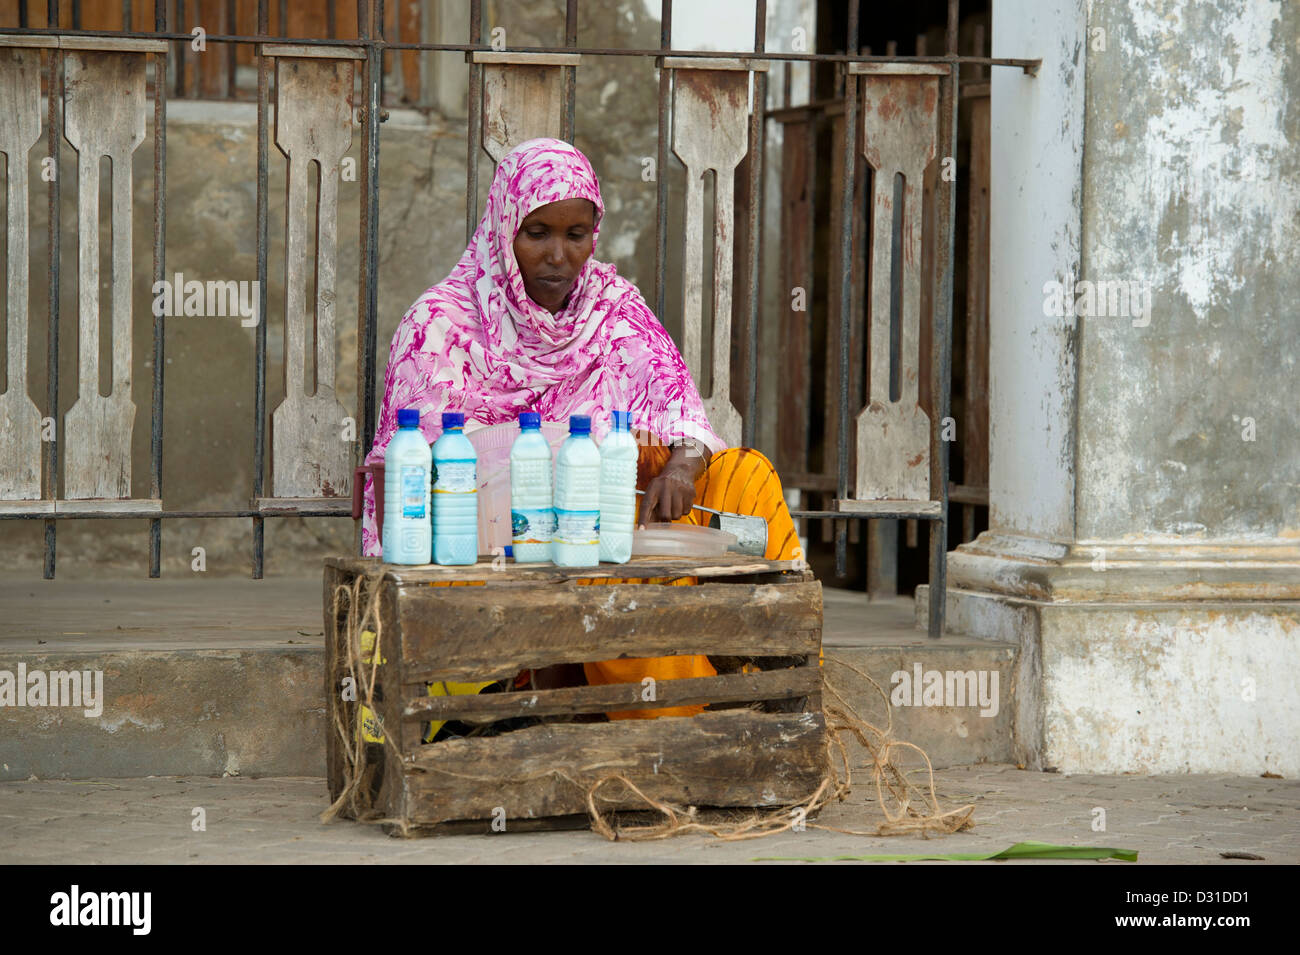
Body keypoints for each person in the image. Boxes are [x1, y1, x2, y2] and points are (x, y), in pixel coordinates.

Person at [360, 137, 800, 719]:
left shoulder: (612, 306)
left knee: (748, 474)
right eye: (537, 233)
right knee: (608, 554)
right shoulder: (441, 324)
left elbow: (678, 406)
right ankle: (663, 727)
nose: (558, 256)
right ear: (502, 228)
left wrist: (684, 463)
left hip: (614, 525)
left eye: (576, 235)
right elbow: (415, 477)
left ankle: (775, 687)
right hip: (498, 549)